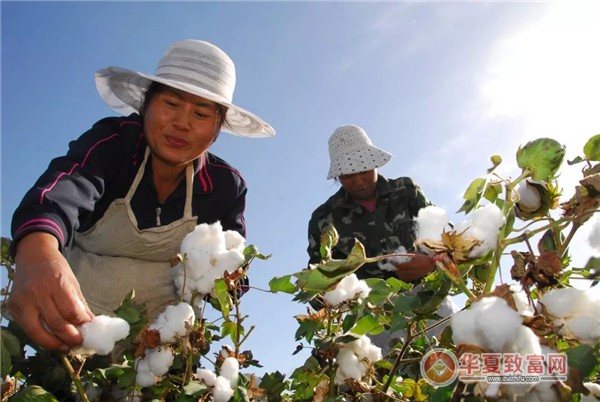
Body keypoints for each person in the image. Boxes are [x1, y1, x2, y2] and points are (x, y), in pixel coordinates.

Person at [8, 39, 275, 353]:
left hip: (157, 354)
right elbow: (61, 193)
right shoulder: (113, 145)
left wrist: (225, 284)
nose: (182, 123)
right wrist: (38, 256)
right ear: (146, 104)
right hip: (69, 332)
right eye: (171, 104)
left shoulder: (223, 187)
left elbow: (233, 278)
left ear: (217, 128)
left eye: (201, 114)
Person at [307, 124, 457, 354]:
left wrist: (430, 263)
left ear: (374, 163)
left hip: (429, 302)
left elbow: (447, 237)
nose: (358, 180)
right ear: (338, 175)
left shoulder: (406, 192)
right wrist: (328, 323)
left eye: (364, 169)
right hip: (375, 321)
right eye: (348, 174)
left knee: (455, 367)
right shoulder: (324, 219)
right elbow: (319, 279)